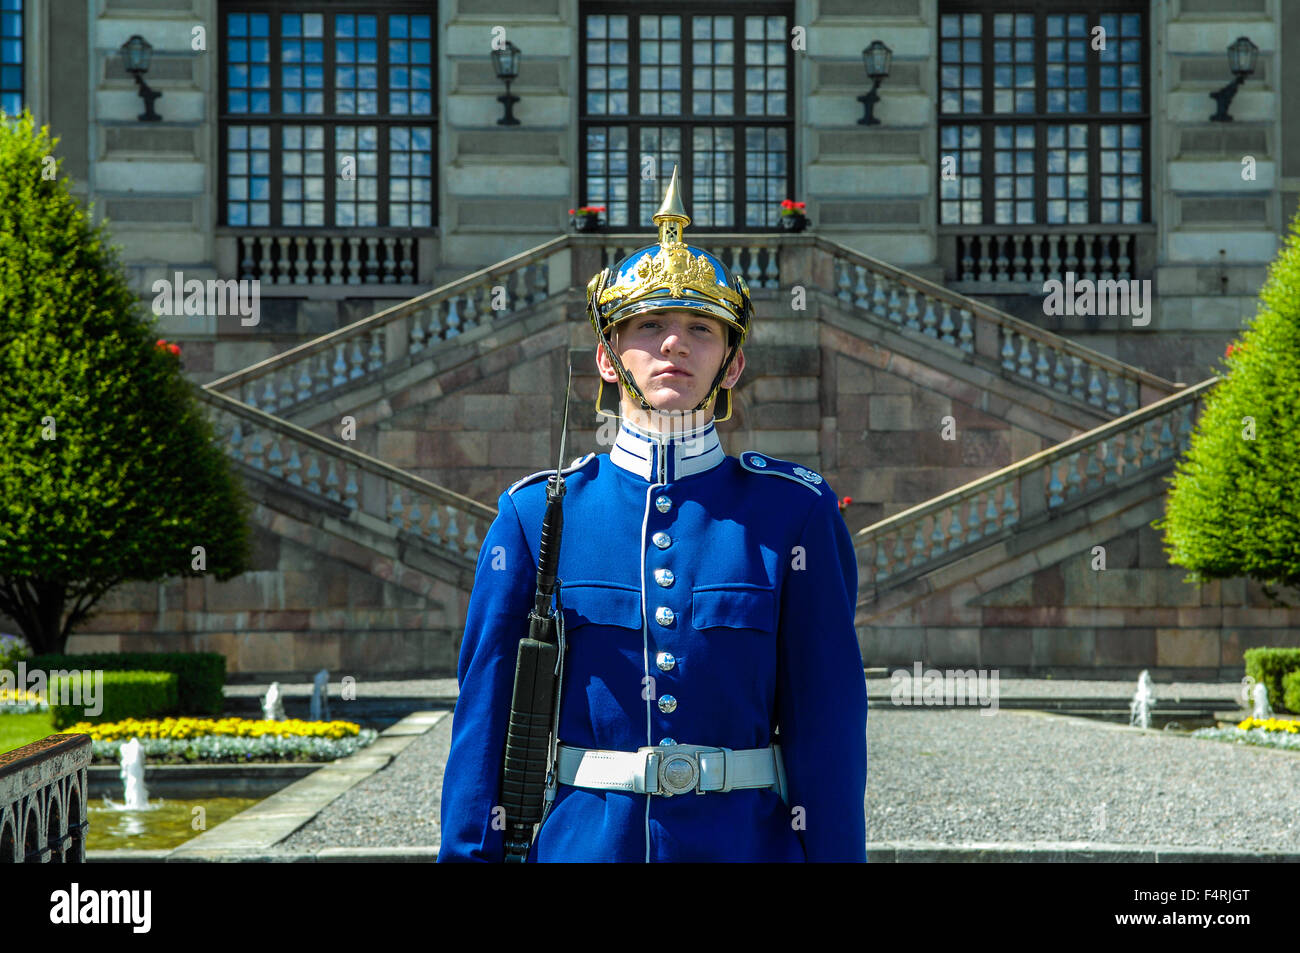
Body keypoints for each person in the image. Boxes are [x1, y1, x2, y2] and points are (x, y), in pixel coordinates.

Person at [437, 167, 867, 862]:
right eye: (649, 325)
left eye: (702, 328)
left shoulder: (794, 514)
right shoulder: (537, 516)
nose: (675, 344)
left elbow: (829, 736)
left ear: (731, 364)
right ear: (608, 358)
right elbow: (484, 733)